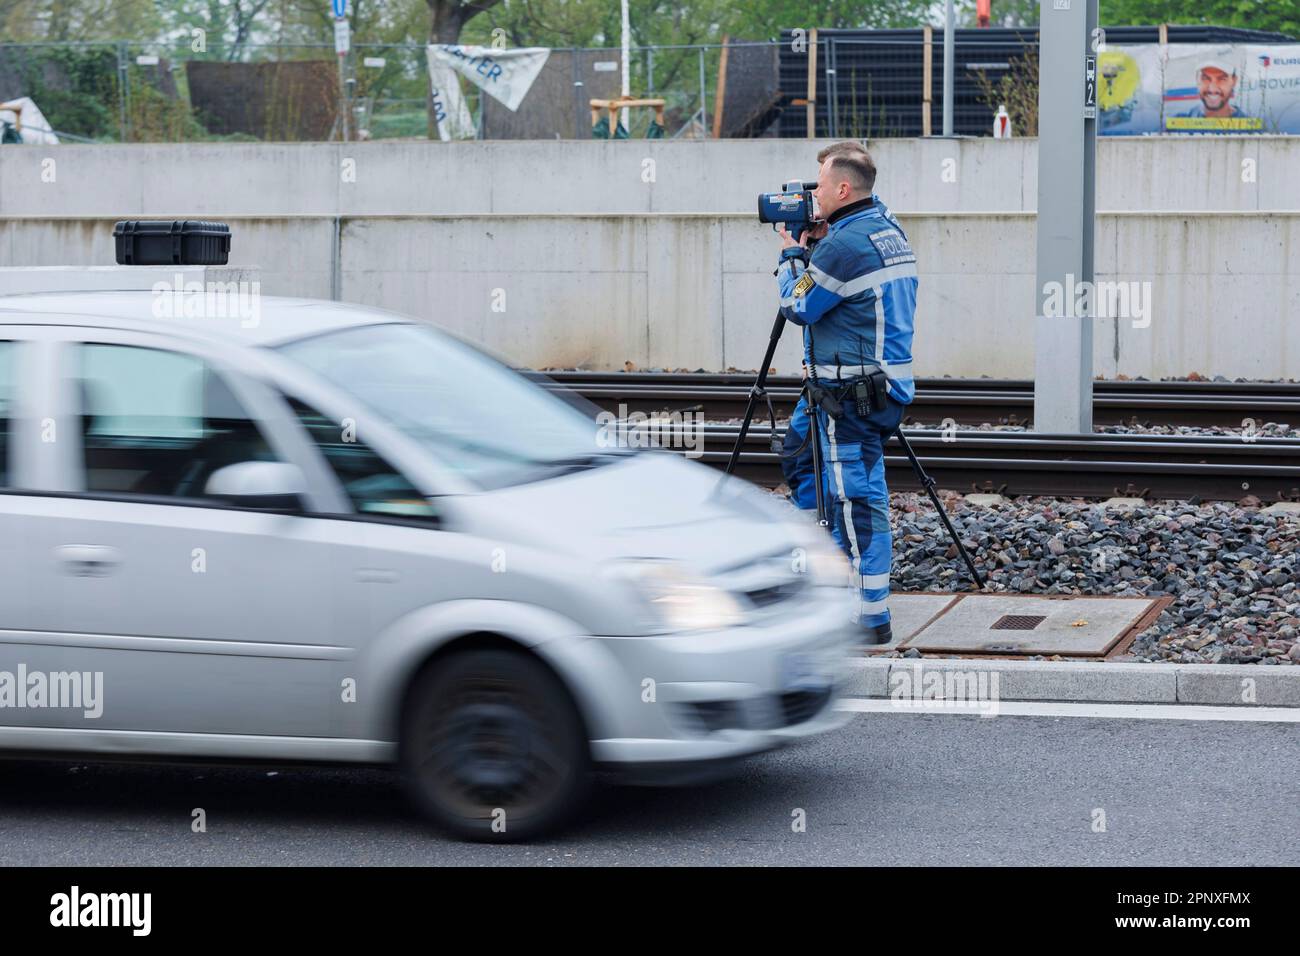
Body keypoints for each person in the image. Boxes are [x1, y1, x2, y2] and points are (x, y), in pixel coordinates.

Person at [776, 141, 917, 645]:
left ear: (841, 187)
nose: (811, 194)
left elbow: (800, 306)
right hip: (870, 386)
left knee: (857, 499)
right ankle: (829, 567)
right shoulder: (884, 227)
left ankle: (867, 618)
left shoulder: (844, 246)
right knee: (798, 455)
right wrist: (819, 243)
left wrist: (792, 255)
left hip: (850, 393)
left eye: (818, 184)